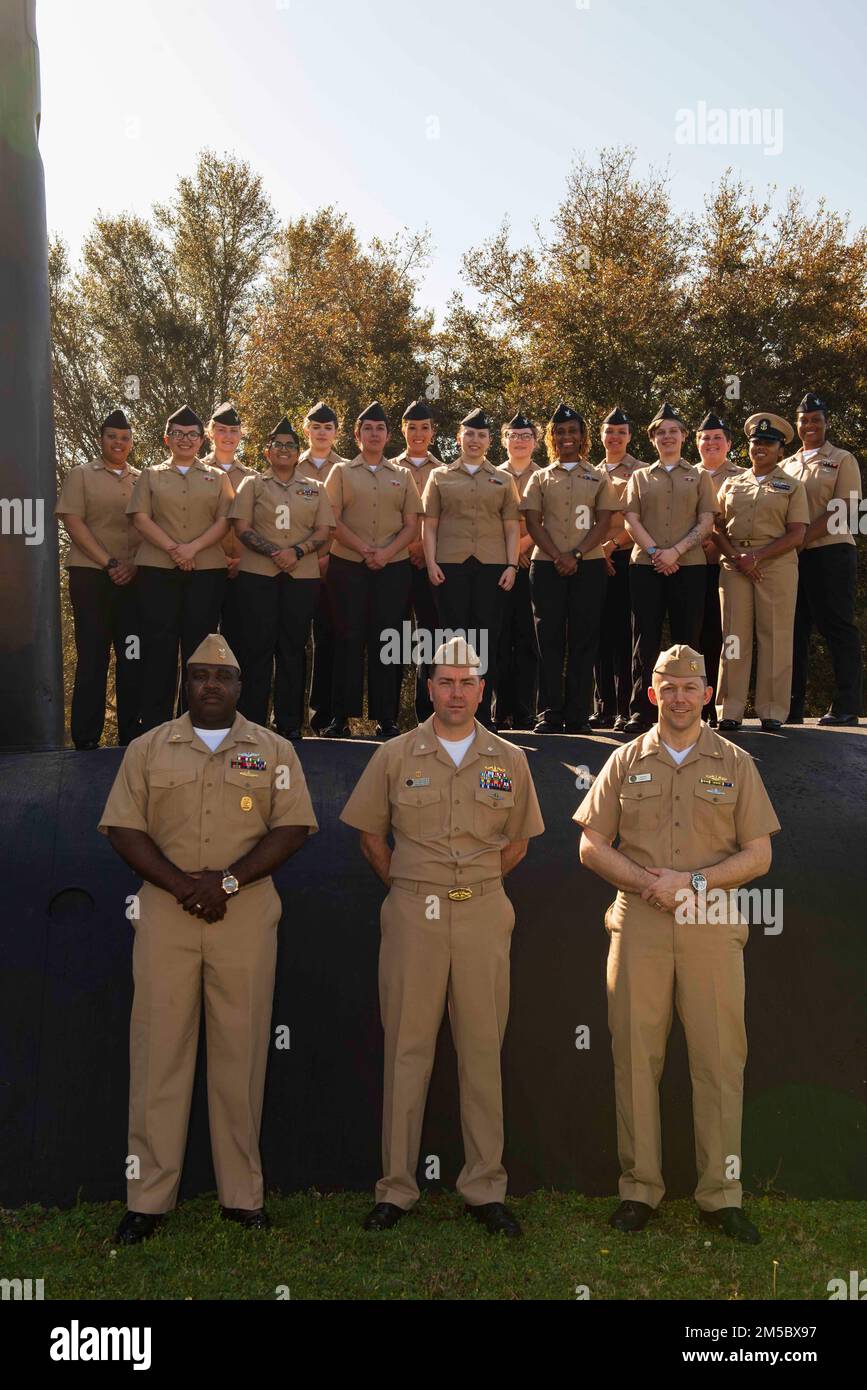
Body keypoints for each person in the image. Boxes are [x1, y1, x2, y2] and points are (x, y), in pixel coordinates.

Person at [99, 633, 318, 1244]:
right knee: (158, 1053)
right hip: (166, 915)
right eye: (198, 676)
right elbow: (122, 828)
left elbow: (294, 826)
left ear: (241, 686)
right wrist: (182, 885)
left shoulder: (273, 749)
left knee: (241, 1054)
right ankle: (148, 1199)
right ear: (185, 684)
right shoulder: (147, 749)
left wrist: (225, 882)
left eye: (221, 677)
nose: (210, 686)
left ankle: (242, 1197)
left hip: (244, 914)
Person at [574, 644, 780, 1243]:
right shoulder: (623, 761)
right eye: (669, 687)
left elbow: (759, 854)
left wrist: (689, 882)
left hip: (711, 924)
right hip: (637, 922)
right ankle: (640, 1190)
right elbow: (590, 845)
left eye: (692, 687)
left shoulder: (736, 762)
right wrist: (649, 884)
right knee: (636, 1060)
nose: (680, 697)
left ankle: (721, 1196)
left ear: (708, 695)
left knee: (719, 1062)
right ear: (652, 693)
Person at [339, 636, 544, 1236]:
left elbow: (518, 843)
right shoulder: (395, 756)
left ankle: (485, 1187)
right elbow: (371, 838)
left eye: (467, 682)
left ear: (482, 689)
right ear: (429, 689)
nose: (456, 692)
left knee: (483, 1049)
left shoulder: (510, 759)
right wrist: (412, 883)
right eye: (445, 682)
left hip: (482, 913)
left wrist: (472, 887)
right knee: (407, 1049)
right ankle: (396, 1189)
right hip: (412, 914)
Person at [229, 416, 335, 739]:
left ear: (297, 451)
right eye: (278, 445)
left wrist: (298, 552)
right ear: (267, 451)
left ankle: (289, 724)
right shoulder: (253, 484)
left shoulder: (314, 488)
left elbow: (324, 530)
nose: (285, 450)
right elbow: (241, 527)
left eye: (291, 446)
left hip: (301, 579)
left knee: (292, 649)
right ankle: (251, 723)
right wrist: (275, 552)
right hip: (257, 576)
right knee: (256, 649)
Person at [127, 405, 232, 730]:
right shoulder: (150, 475)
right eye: (178, 434)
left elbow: (226, 520)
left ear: (202, 440)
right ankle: (155, 724)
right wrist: (174, 549)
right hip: (158, 570)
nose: (185, 440)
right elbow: (139, 517)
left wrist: (193, 549)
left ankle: (196, 721)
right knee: (159, 645)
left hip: (206, 571)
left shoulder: (218, 477)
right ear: (166, 438)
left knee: (198, 648)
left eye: (192, 435)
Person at [324, 402, 422, 739]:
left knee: (388, 641)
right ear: (356, 435)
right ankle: (341, 718)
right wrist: (366, 549)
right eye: (368, 428)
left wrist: (386, 552)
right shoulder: (340, 473)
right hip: (349, 565)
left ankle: (387, 718)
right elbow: (331, 521)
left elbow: (412, 525)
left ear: (388, 435)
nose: (374, 434)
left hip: (393, 568)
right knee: (348, 638)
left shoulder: (403, 475)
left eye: (380, 429)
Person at [422, 408, 520, 728]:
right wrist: (431, 561)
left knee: (485, 640)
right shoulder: (440, 476)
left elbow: (510, 527)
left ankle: (479, 715)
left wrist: (512, 565)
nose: (475, 440)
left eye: (481, 435)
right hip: (450, 566)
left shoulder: (503, 479)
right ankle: (448, 712)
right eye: (469, 434)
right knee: (450, 639)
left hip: (492, 567)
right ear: (458, 438)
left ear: (490, 440)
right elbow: (431, 525)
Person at [622, 403, 717, 734]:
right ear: (652, 439)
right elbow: (630, 518)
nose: (667, 437)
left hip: (688, 566)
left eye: (673, 431)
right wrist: (654, 552)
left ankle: (692, 711)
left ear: (684, 436)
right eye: (660, 433)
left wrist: (675, 551)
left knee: (688, 640)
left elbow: (707, 520)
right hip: (645, 567)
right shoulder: (638, 477)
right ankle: (641, 711)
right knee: (643, 639)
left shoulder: (700, 476)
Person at [522, 403, 616, 733]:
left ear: (582, 436)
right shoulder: (540, 478)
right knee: (547, 640)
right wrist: (557, 555)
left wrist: (575, 554)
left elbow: (603, 522)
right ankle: (549, 712)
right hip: (546, 566)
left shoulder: (599, 477)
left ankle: (578, 714)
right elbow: (533, 521)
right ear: (552, 437)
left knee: (583, 638)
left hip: (587, 566)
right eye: (560, 432)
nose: (567, 437)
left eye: (572, 431)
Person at [713, 415, 808, 732]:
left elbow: (797, 534)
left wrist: (757, 557)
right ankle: (730, 708)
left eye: (769, 443)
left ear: (781, 450)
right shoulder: (731, 483)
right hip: (735, 564)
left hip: (775, 564)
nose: (761, 447)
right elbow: (716, 528)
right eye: (756, 442)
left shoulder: (793, 486)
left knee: (776, 636)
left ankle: (772, 709)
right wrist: (738, 558)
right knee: (734, 639)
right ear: (748, 447)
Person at [54, 408, 142, 749]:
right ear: (101, 439)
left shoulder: (141, 478)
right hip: (92, 577)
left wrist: (132, 566)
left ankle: (131, 737)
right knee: (93, 655)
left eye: (124, 438)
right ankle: (86, 740)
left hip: (133, 581)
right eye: (111, 437)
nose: (118, 443)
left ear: (131, 443)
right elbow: (73, 522)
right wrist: (109, 563)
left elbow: (149, 525)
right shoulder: (82, 474)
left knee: (133, 655)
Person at [783, 391, 863, 726]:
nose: (810, 425)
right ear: (797, 426)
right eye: (804, 420)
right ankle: (791, 706)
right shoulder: (785, 465)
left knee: (837, 627)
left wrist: (798, 539)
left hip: (830, 553)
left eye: (816, 419)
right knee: (792, 630)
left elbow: (846, 509)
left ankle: (846, 704)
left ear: (826, 423)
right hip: (791, 559)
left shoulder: (843, 459)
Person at [296, 403, 349, 733]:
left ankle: (327, 712)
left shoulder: (346, 468)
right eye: (316, 427)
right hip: (294, 567)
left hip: (334, 567)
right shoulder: (289, 464)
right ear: (307, 430)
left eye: (328, 427)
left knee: (332, 638)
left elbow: (343, 520)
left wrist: (329, 557)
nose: (321, 432)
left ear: (336, 432)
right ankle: (289, 716)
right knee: (293, 640)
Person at [590, 407, 644, 732]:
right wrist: (596, 550)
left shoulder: (640, 471)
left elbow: (640, 516)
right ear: (601, 435)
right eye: (610, 432)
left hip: (625, 558)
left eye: (621, 432)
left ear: (629, 436)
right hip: (594, 561)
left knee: (625, 636)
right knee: (598, 636)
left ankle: (626, 707)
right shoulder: (591, 472)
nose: (615, 437)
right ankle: (603, 707)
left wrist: (612, 546)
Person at [392, 398, 442, 723]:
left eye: (424, 428)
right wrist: (408, 546)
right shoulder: (389, 470)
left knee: (430, 638)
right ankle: (389, 714)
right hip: (396, 563)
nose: (418, 433)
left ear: (433, 432)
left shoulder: (444, 471)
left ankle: (427, 713)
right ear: (403, 430)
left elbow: (446, 520)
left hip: (430, 564)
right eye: (412, 427)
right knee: (393, 638)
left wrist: (425, 549)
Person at [694, 412, 743, 727]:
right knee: (694, 637)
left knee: (723, 638)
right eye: (705, 438)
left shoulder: (742, 476)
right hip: (690, 568)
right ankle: (694, 705)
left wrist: (716, 545)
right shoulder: (686, 474)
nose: (710, 443)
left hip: (725, 569)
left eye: (717, 438)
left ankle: (719, 707)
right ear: (696, 443)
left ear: (728, 443)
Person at [493, 412, 541, 731]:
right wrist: (513, 552)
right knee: (498, 638)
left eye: (525, 435)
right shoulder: (491, 475)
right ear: (504, 440)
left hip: (536, 563)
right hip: (499, 566)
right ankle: (500, 709)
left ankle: (525, 709)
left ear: (535, 442)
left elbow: (553, 520)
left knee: (529, 638)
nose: (520, 440)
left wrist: (523, 546)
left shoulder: (547, 475)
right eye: (513, 435)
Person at [202, 402, 253, 654]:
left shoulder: (253, 477)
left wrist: (241, 559)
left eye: (234, 431)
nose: (228, 436)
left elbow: (259, 524)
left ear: (241, 435)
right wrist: (219, 557)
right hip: (205, 567)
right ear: (210, 433)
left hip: (243, 569)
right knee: (199, 644)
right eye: (221, 430)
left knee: (240, 644)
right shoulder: (196, 472)